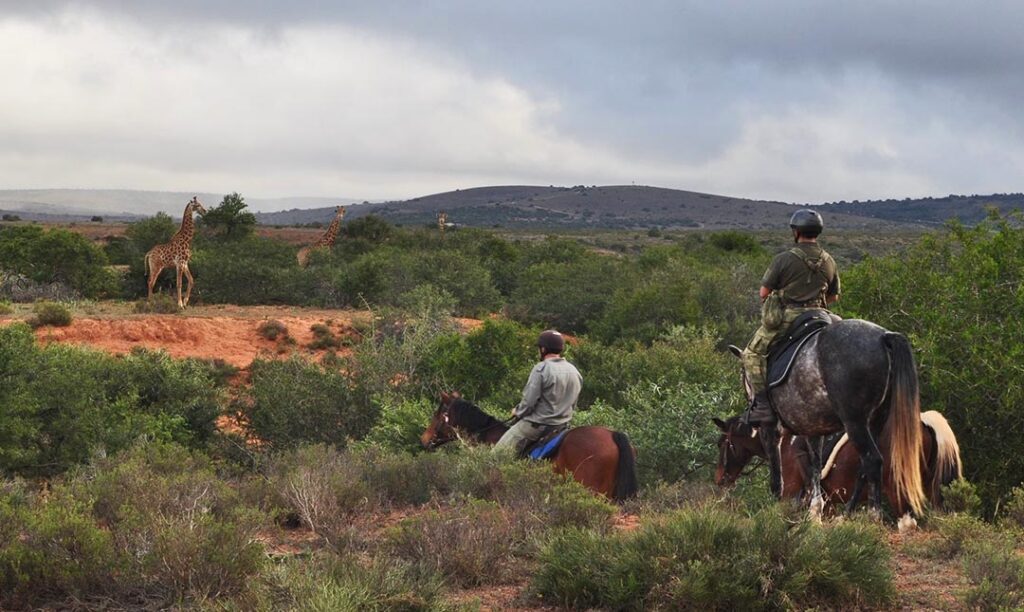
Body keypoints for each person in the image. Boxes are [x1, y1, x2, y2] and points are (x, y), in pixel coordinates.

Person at [741, 209, 840, 426]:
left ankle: (763, 407)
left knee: (752, 354)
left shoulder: (784, 259)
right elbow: (833, 296)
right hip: (822, 315)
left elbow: (763, 293)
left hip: (790, 316)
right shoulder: (829, 261)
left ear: (796, 232)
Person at [493, 329, 583, 454]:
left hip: (538, 425)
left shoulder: (541, 369)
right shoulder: (574, 371)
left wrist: (518, 412)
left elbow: (529, 402)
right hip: (561, 426)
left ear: (543, 349)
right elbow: (573, 403)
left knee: (496, 455)